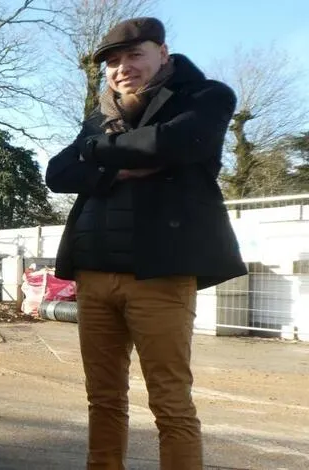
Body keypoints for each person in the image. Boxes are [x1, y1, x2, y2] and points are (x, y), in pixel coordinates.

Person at [44, 17, 247, 469]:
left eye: (134, 55)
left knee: (170, 402)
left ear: (163, 53)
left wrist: (95, 153)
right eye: (113, 61)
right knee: (103, 398)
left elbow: (172, 141)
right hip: (93, 271)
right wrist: (123, 162)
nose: (123, 68)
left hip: (160, 273)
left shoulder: (206, 96)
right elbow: (56, 174)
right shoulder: (100, 115)